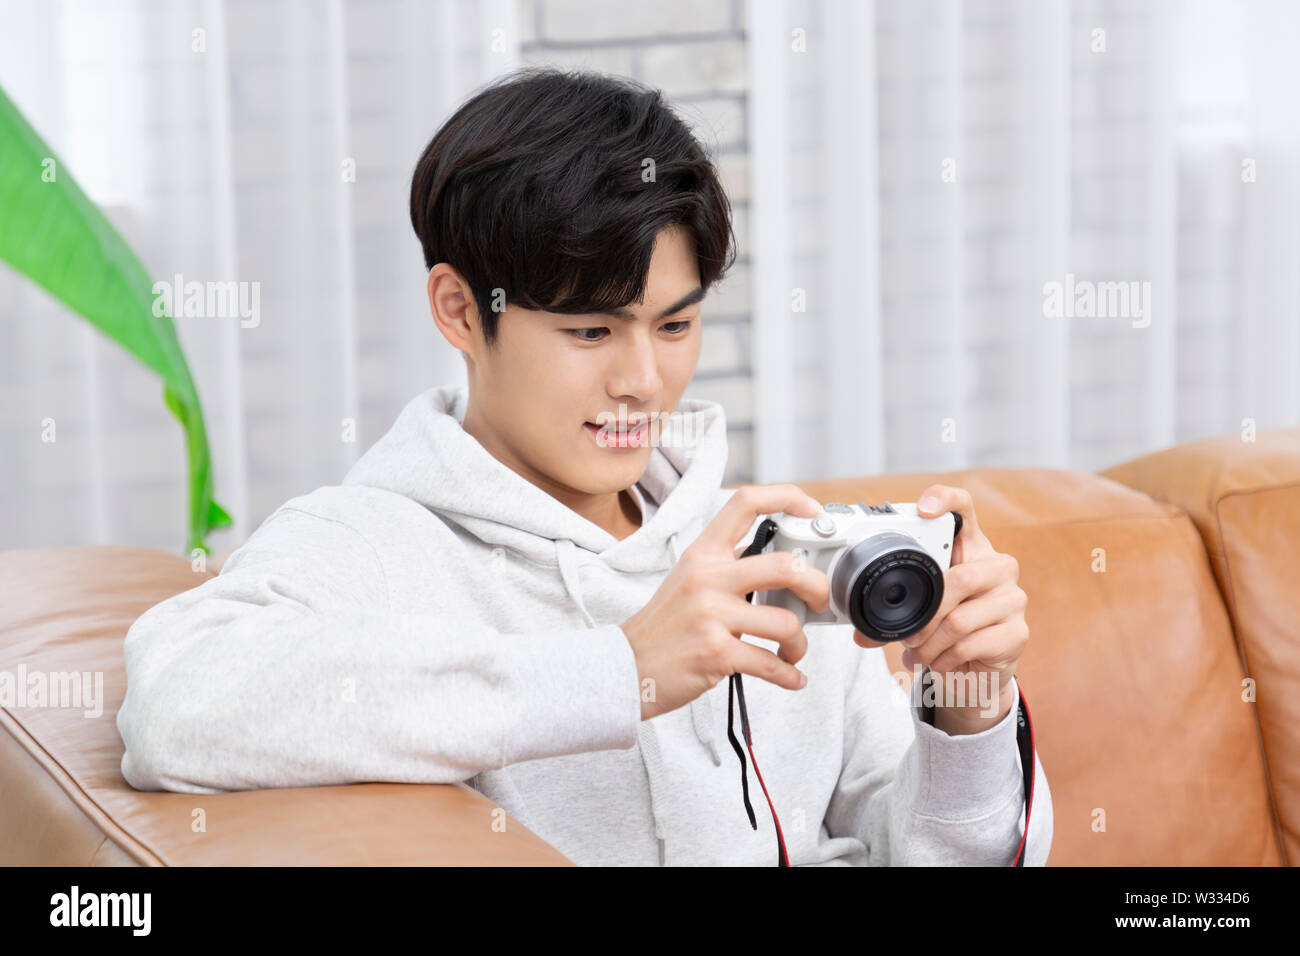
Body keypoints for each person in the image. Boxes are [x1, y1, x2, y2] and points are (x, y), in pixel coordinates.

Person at [117, 67, 1053, 866]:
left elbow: (930, 849)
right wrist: (619, 671)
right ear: (457, 310)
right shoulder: (370, 540)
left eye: (675, 325)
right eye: (589, 330)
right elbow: (177, 704)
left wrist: (969, 706)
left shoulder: (766, 548)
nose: (643, 380)